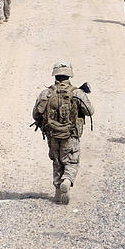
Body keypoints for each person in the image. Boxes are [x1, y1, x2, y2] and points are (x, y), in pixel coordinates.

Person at [32, 62, 94, 204]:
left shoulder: (46, 93)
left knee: (57, 161)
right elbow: (90, 111)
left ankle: (57, 192)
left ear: (55, 75)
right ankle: (67, 180)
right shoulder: (77, 93)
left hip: (53, 135)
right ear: (69, 75)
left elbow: (36, 114)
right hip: (70, 135)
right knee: (71, 161)